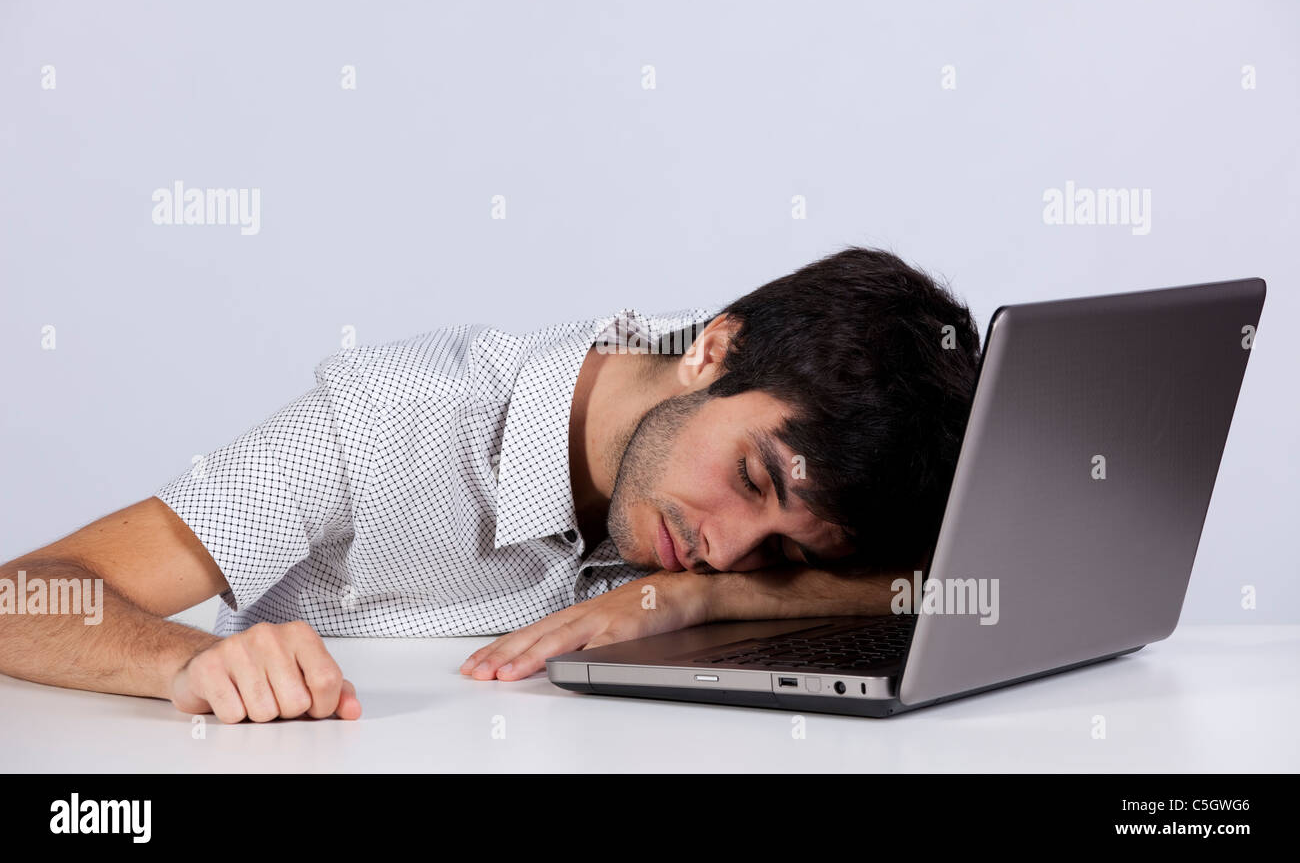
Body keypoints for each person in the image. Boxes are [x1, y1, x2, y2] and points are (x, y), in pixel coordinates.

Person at [0, 247, 980, 723]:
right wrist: (185, 663)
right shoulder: (392, 417)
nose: (730, 543)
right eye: (750, 478)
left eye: (781, 551)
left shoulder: (761, 404)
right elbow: (23, 593)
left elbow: (954, 569)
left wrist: (697, 591)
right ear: (711, 348)